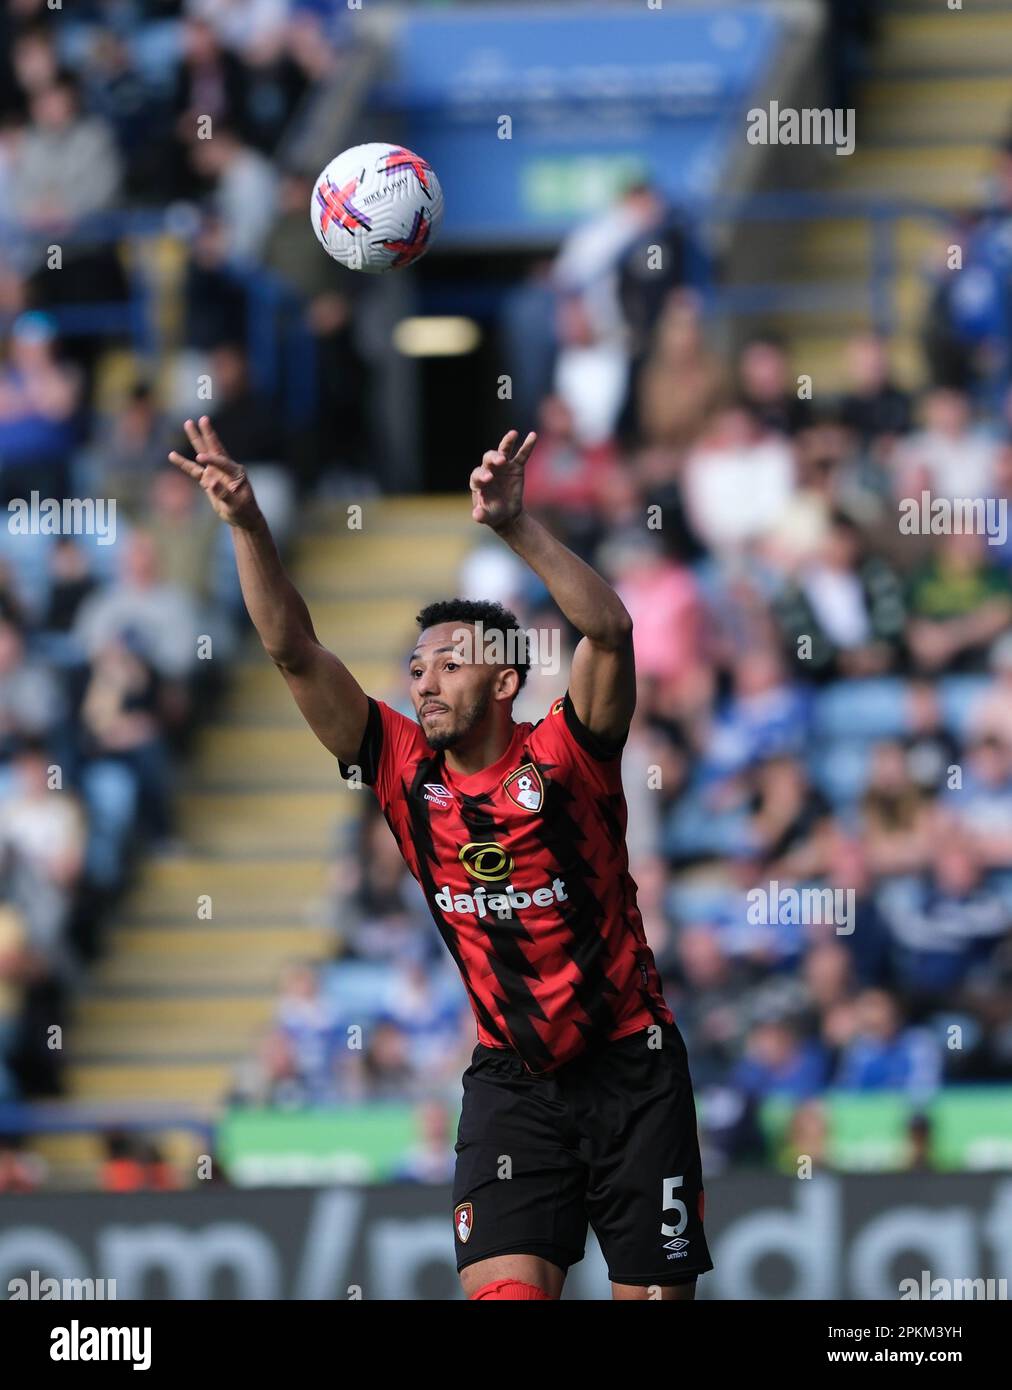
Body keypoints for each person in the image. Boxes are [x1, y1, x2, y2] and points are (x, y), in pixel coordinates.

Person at [169, 415, 713, 1302]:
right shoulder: (398, 768)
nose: (423, 680)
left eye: (448, 664)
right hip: (511, 1079)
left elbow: (608, 633)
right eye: (417, 666)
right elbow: (292, 649)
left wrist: (511, 524)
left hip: (631, 1068)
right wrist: (247, 525)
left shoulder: (569, 758)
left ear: (504, 680)